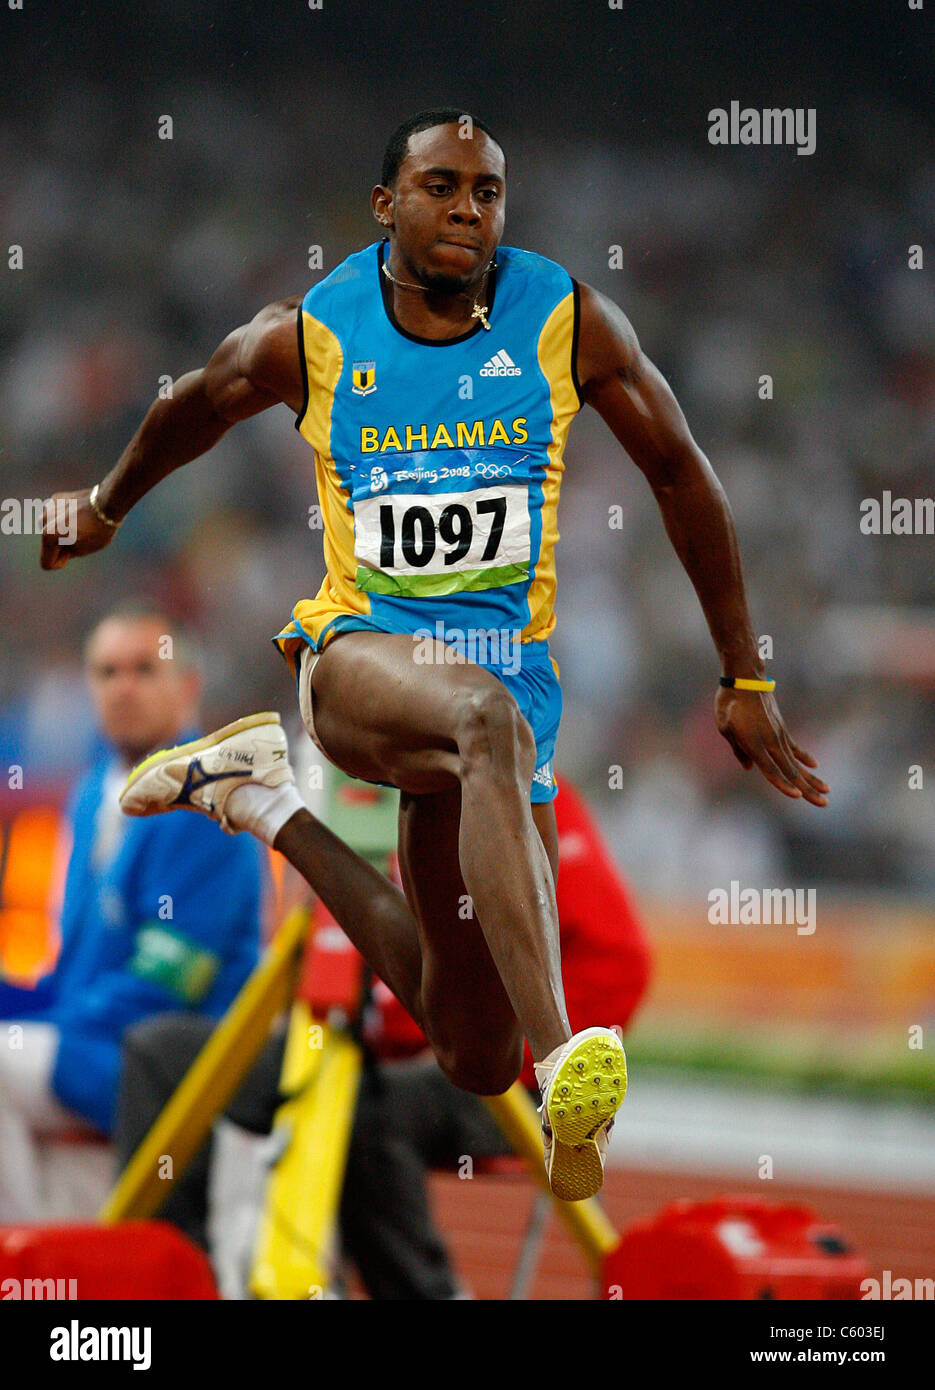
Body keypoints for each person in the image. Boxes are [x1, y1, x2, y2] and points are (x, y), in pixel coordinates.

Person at [40, 107, 828, 1200]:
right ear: (384, 205)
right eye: (441, 186)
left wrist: (742, 675)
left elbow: (682, 474)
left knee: (468, 1049)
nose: (467, 208)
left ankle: (258, 798)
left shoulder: (566, 319)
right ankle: (565, 1069)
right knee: (478, 719)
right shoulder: (313, 332)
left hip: (502, 707)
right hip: (358, 658)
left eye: (486, 192)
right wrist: (104, 506)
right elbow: (193, 405)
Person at [114, 775, 651, 1298]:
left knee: (371, 1110)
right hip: (347, 1048)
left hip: (490, 1073)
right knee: (161, 1054)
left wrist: (502, 1046)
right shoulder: (356, 798)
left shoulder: (527, 797)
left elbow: (618, 962)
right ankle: (177, 1285)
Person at [0, 607, 264, 1221]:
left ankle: (22, 1266)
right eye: (108, 671)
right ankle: (54, 1259)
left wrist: (53, 1021)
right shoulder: (93, 794)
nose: (123, 687)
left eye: (145, 670)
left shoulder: (206, 799)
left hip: (171, 1067)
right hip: (94, 1046)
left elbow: (167, 984)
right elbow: (73, 975)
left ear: (188, 686)